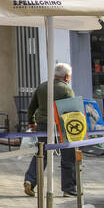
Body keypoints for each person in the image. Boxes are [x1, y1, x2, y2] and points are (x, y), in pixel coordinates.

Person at [23, 62, 76, 197]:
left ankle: (30, 180)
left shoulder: (42, 86)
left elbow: (32, 106)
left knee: (42, 154)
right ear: (66, 77)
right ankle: (68, 189)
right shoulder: (66, 90)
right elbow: (72, 111)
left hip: (42, 125)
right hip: (62, 127)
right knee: (68, 156)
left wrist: (31, 122)